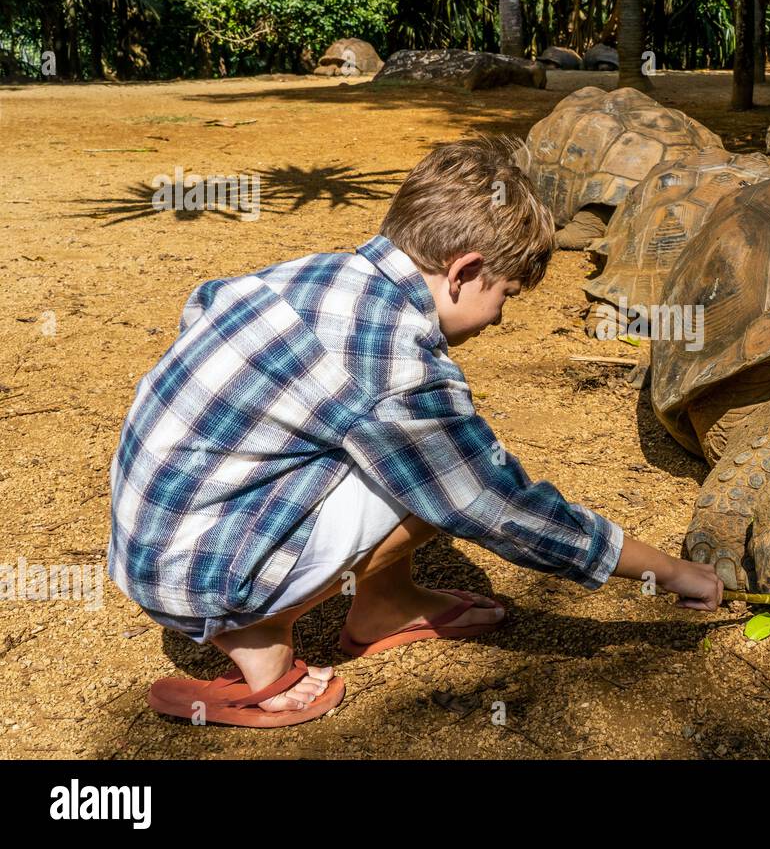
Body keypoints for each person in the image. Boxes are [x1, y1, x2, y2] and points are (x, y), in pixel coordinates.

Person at [107, 135, 723, 728]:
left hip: (154, 539)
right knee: (447, 472)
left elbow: (203, 305)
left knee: (396, 449)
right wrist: (668, 571)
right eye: (505, 293)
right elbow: (491, 502)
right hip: (199, 578)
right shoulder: (392, 359)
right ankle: (254, 637)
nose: (502, 314)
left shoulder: (320, 274)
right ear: (464, 271)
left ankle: (385, 605)